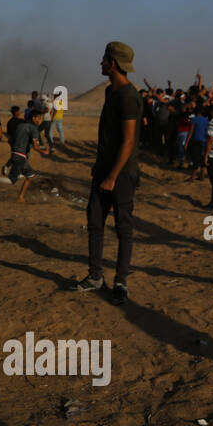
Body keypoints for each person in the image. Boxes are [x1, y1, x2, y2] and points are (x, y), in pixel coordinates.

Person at [72, 43, 141, 304]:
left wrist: (112, 176)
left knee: (123, 227)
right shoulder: (110, 91)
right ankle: (95, 276)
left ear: (112, 63)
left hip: (121, 174)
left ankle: (121, 282)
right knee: (95, 222)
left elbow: (128, 141)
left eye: (103, 59)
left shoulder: (128, 96)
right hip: (103, 170)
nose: (100, 63)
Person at [8, 109, 51, 203]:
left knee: (24, 176)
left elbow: (10, 140)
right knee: (24, 177)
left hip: (14, 153)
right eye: (39, 118)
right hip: (20, 155)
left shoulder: (20, 126)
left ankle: (21, 197)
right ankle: (20, 197)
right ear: (33, 118)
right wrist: (43, 152)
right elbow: (36, 147)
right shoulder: (33, 129)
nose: (40, 120)